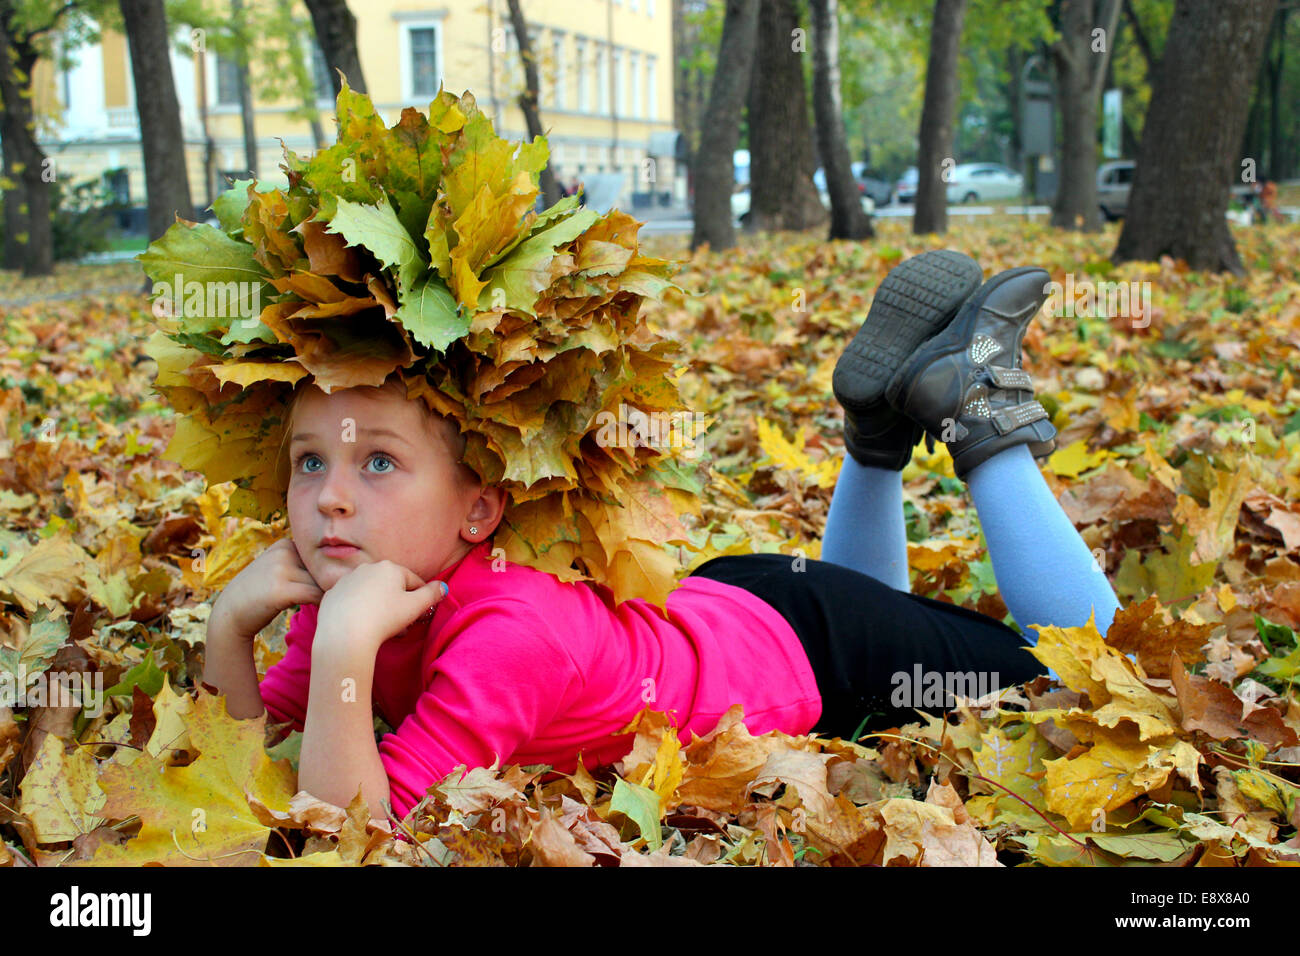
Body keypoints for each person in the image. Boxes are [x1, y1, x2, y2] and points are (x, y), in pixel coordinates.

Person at [202, 247, 1122, 827]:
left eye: (378, 465)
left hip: (816, 654)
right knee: (886, 613)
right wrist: (230, 633)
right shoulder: (357, 587)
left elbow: (353, 830)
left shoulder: (505, 633)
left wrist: (346, 654)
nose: (329, 500)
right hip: (742, 607)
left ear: (479, 511)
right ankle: (877, 434)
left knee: (1097, 674)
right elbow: (273, 750)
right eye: (309, 462)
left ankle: (978, 416)